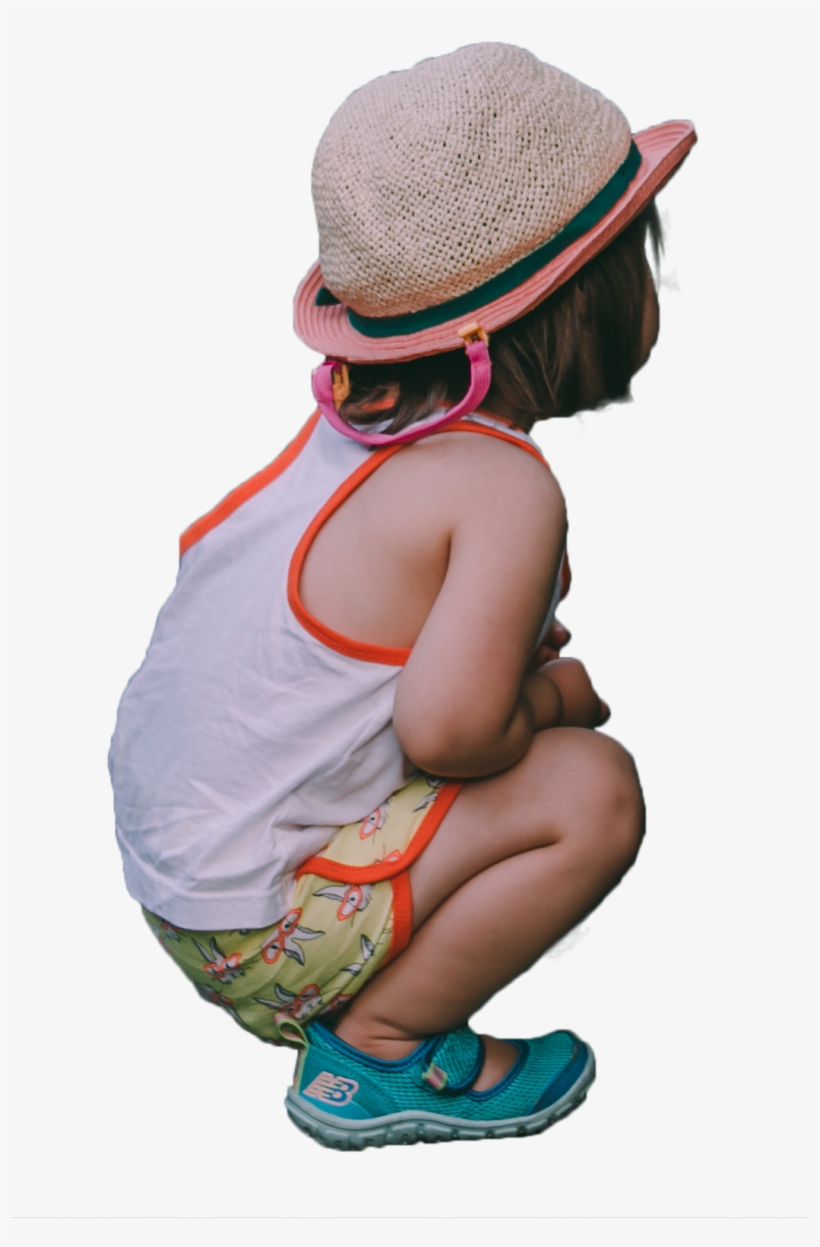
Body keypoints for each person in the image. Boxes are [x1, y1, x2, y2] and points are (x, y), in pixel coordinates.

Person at [109, 42, 695, 1149]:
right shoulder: (503, 485)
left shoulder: (350, 429)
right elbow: (452, 728)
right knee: (591, 789)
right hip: (265, 934)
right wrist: (554, 698)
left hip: (190, 889)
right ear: (581, 301)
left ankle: (365, 1003)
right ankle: (375, 1049)